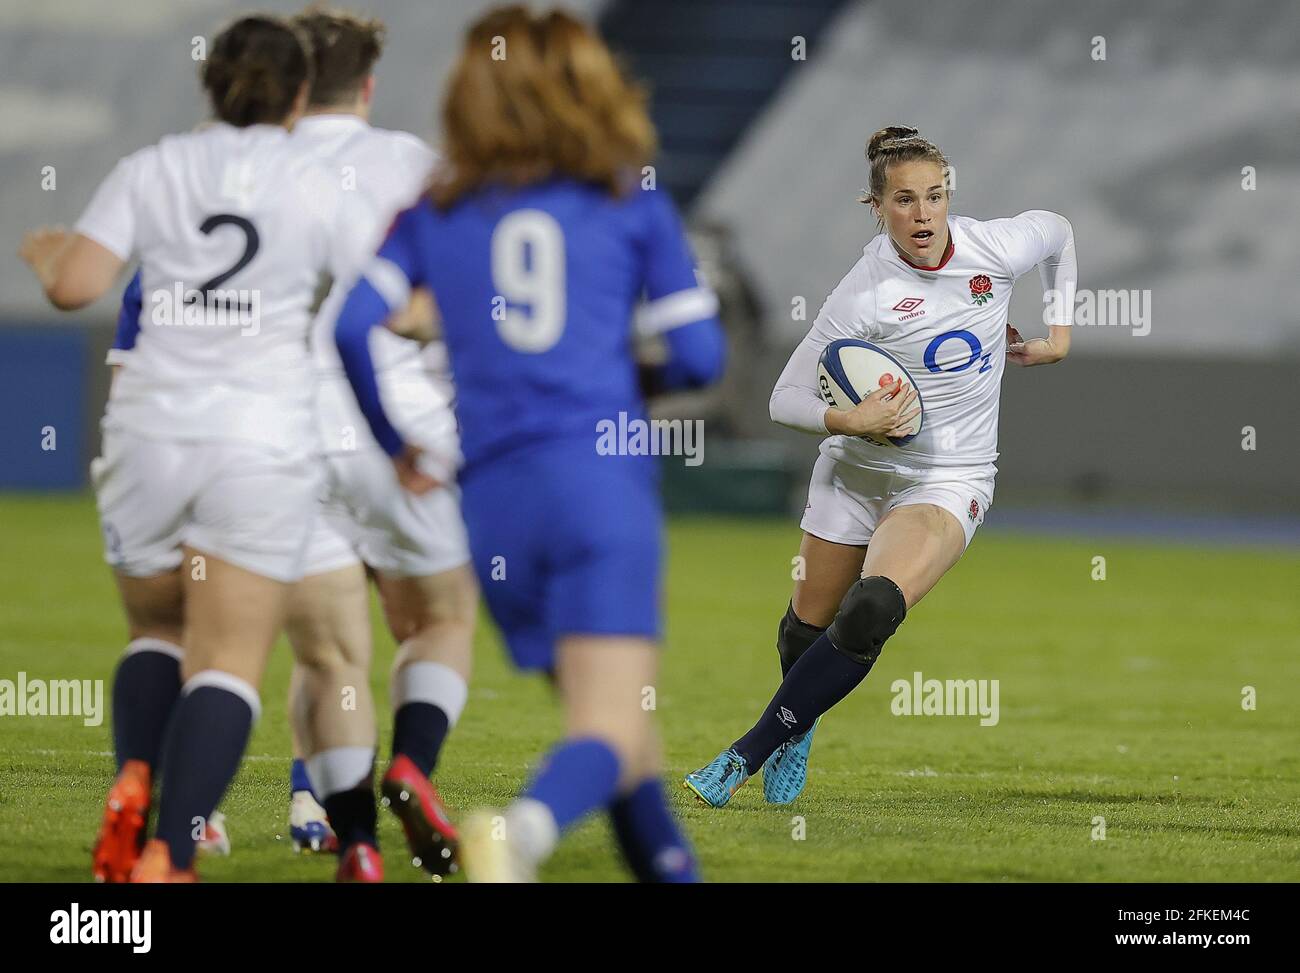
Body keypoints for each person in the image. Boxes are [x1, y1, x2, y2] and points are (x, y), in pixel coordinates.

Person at [333, 6, 726, 881]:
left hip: (496, 500)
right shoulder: (629, 198)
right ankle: (519, 834)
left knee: (624, 732)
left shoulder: (435, 210)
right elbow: (701, 354)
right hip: (596, 483)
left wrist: (398, 442)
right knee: (610, 723)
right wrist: (623, 378)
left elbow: (354, 326)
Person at [20, 14, 355, 881]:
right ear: (300, 99)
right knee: (232, 657)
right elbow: (379, 300)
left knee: (157, 630)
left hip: (149, 430)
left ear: (214, 87)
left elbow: (78, 287)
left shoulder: (152, 168)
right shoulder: (320, 183)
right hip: (259, 438)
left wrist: (53, 256)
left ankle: (135, 774)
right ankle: (169, 850)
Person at [684, 125, 1075, 807]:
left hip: (948, 475)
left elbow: (1060, 231)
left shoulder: (994, 249)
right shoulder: (864, 292)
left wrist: (1060, 334)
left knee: (869, 610)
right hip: (856, 469)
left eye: (933, 196)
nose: (922, 214)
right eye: (904, 200)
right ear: (876, 207)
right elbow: (785, 396)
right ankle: (798, 723)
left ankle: (745, 751)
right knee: (806, 627)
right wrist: (848, 420)